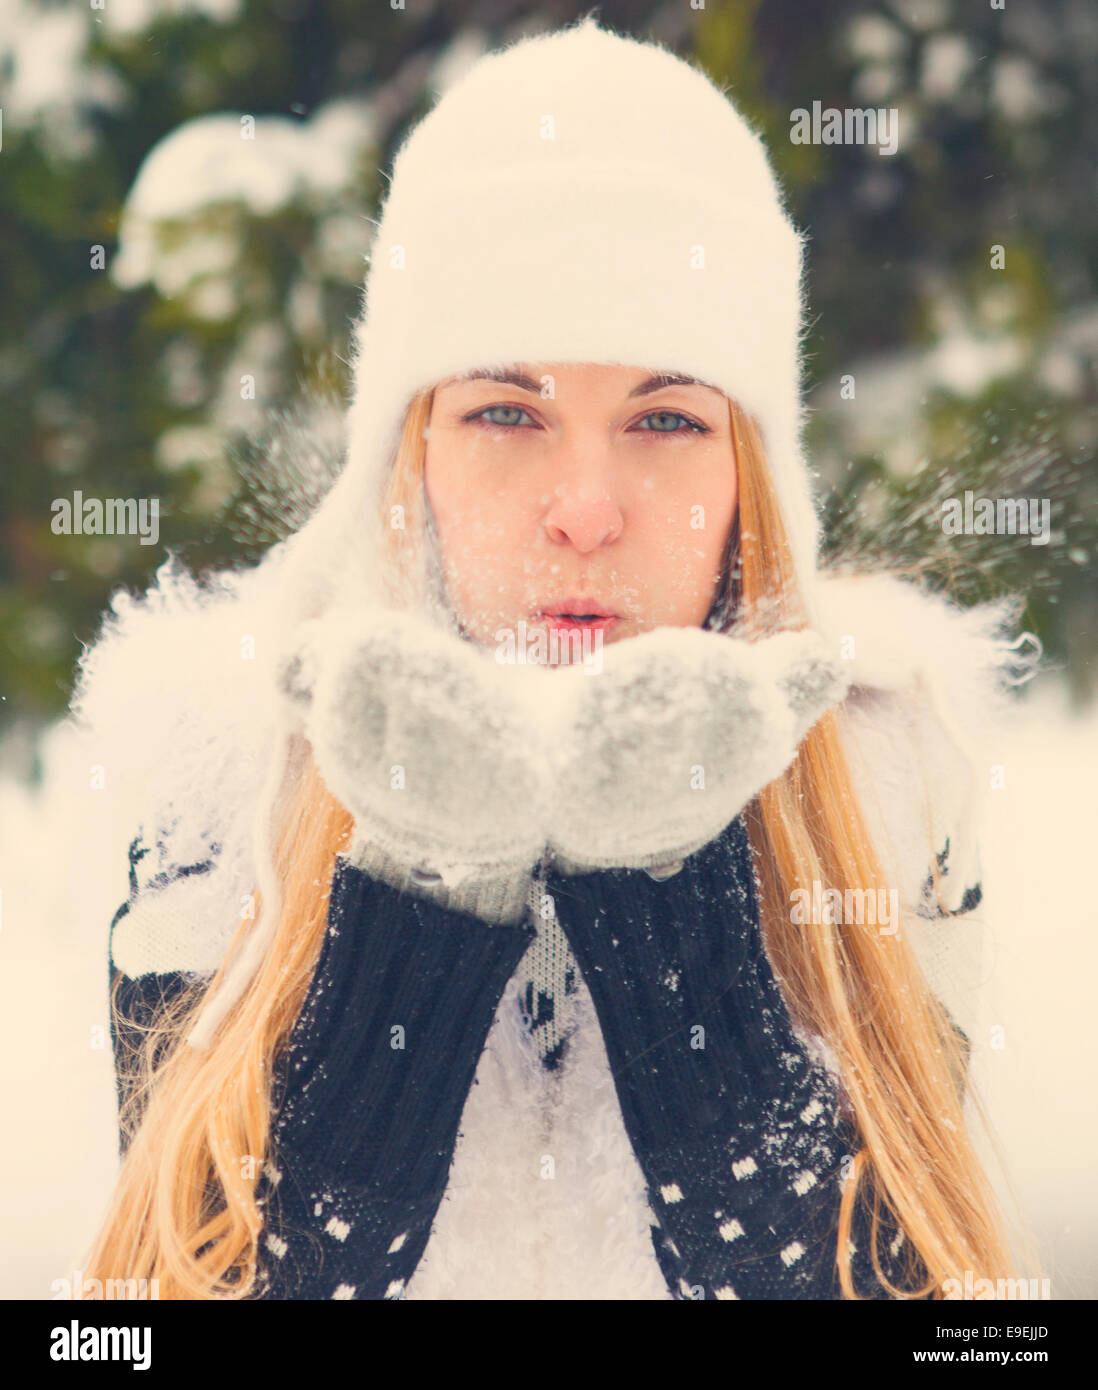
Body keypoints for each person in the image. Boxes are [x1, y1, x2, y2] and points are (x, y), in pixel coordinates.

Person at [72, 17, 1036, 1300]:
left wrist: (665, 881)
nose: (586, 507)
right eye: (507, 412)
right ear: (408, 449)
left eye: (667, 416)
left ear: (751, 476)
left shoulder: (880, 775)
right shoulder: (224, 771)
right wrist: (418, 890)